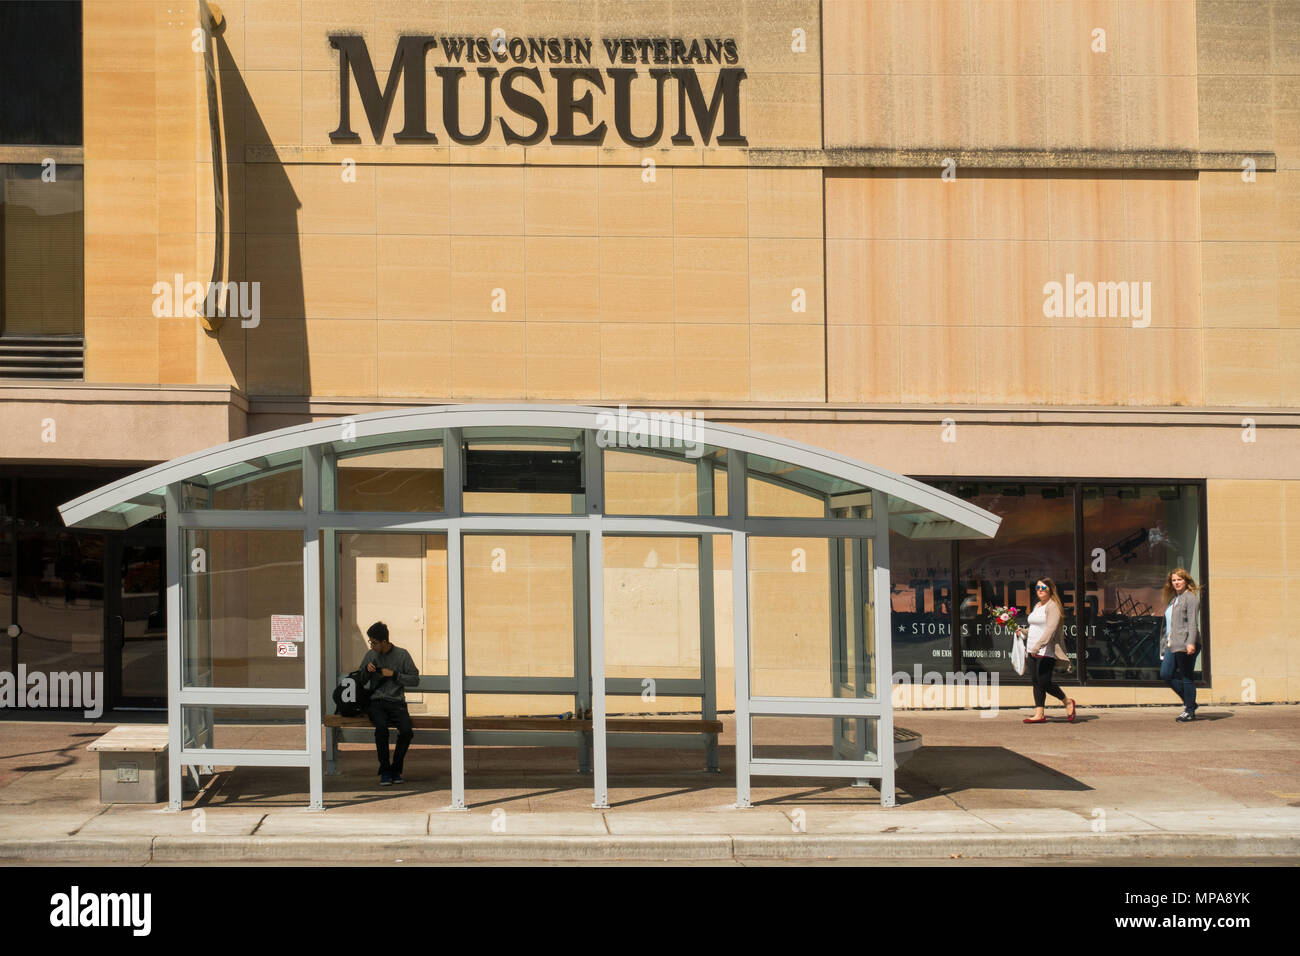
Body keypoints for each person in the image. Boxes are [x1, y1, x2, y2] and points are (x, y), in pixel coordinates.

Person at [359, 621, 419, 784]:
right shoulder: (370, 655)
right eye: (370, 642)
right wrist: (366, 671)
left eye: (375, 642)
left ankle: (395, 769)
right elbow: (360, 680)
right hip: (376, 702)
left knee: (407, 732)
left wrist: (394, 674)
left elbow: (415, 679)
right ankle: (385, 770)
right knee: (381, 730)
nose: (372, 646)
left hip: (397, 702)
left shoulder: (402, 655)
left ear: (385, 641)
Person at [1016, 577, 1076, 723]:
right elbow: (1035, 628)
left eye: (1043, 588)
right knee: (1036, 681)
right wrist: (1023, 631)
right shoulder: (1037, 606)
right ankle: (1039, 714)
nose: (1040, 591)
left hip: (1045, 650)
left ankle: (1067, 701)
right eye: (1037, 588)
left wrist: (1038, 646)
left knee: (1044, 682)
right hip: (1031, 648)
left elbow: (1050, 629)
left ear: (1050, 589)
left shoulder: (1053, 606)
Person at [1160, 568, 1202, 722]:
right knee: (1166, 674)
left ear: (1186, 581)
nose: (1176, 583)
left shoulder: (1190, 598)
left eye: (1179, 580)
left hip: (1186, 643)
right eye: (1173, 580)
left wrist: (1190, 643)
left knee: (1186, 676)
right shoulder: (1175, 599)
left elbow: (1192, 623)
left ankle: (1189, 711)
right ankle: (1190, 702)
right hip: (1173, 643)